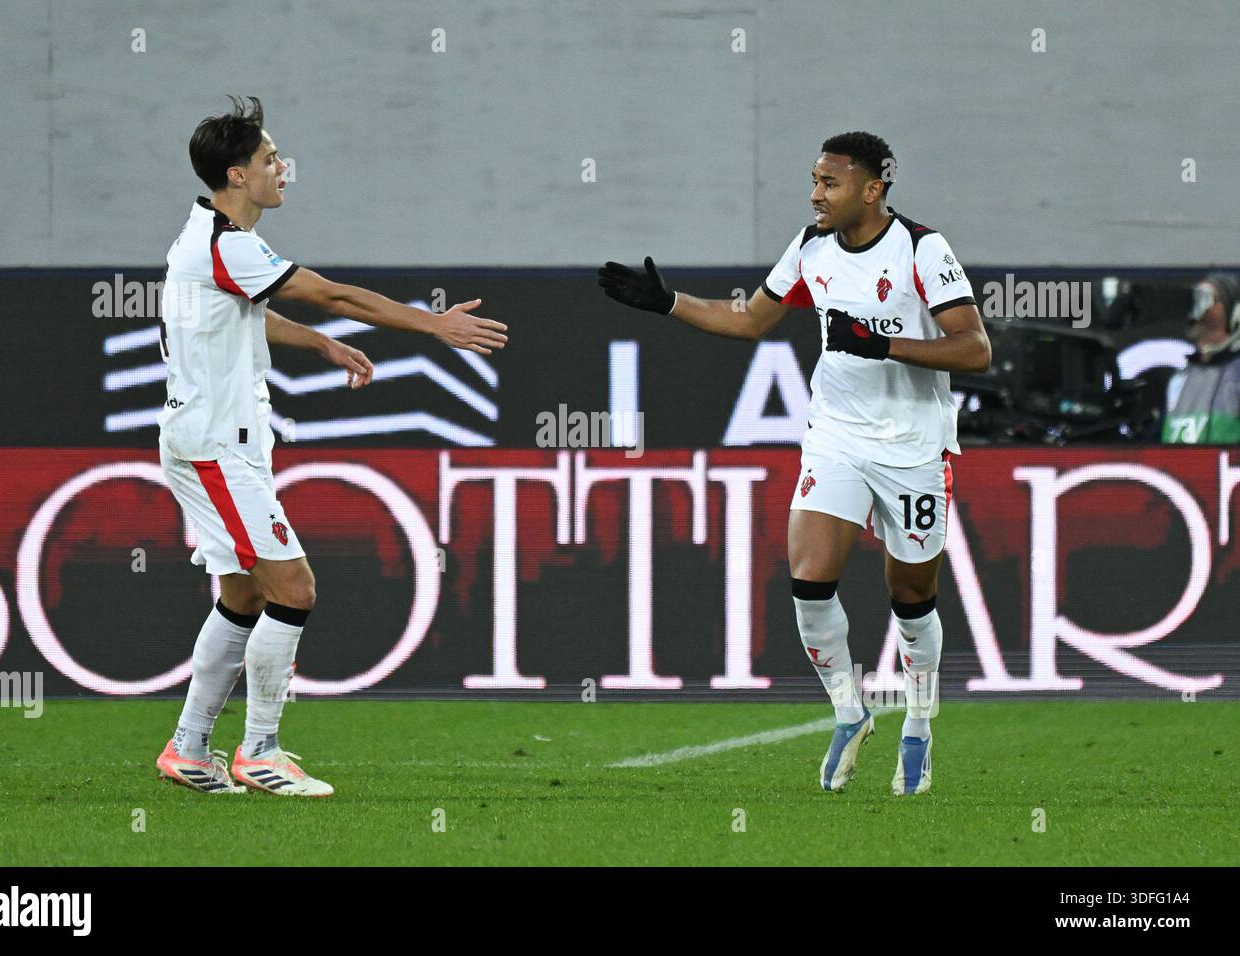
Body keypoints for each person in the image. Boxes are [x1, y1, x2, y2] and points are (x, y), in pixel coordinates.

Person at [599, 131, 989, 796]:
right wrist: (666, 302)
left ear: (871, 189)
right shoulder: (811, 247)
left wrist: (880, 344)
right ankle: (849, 709)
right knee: (808, 578)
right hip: (836, 436)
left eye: (829, 183)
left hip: (914, 446)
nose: (815, 194)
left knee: (911, 597)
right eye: (813, 180)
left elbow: (974, 349)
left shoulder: (922, 248)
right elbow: (748, 321)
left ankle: (920, 720)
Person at [155, 96, 507, 796]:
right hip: (218, 445)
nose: (282, 168)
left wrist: (313, 343)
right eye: (268, 159)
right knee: (294, 588)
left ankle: (190, 749)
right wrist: (430, 327)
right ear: (236, 174)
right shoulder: (228, 244)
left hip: (216, 441)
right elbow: (335, 294)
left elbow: (247, 314)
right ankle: (261, 750)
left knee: (242, 597)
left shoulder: (208, 241)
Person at [1161, 272, 1240, 444]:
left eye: (1206, 298)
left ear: (1233, 312)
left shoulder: (1236, 373)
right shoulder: (1179, 378)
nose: (1196, 307)